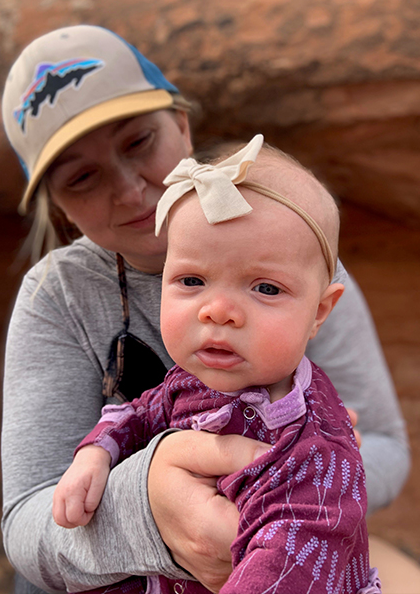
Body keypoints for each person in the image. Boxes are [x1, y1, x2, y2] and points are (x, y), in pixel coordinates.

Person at [0, 25, 409, 594]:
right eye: (82, 177)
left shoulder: (299, 250)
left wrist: (318, 472)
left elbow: (386, 444)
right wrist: (149, 507)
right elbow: (28, 522)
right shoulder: (59, 295)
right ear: (59, 206)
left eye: (139, 142)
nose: (129, 187)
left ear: (182, 124)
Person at [52, 136, 381, 593]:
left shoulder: (313, 450)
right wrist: (96, 453)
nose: (218, 310)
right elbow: (137, 414)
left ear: (320, 312)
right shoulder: (186, 383)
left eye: (265, 288)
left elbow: (288, 567)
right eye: (191, 280)